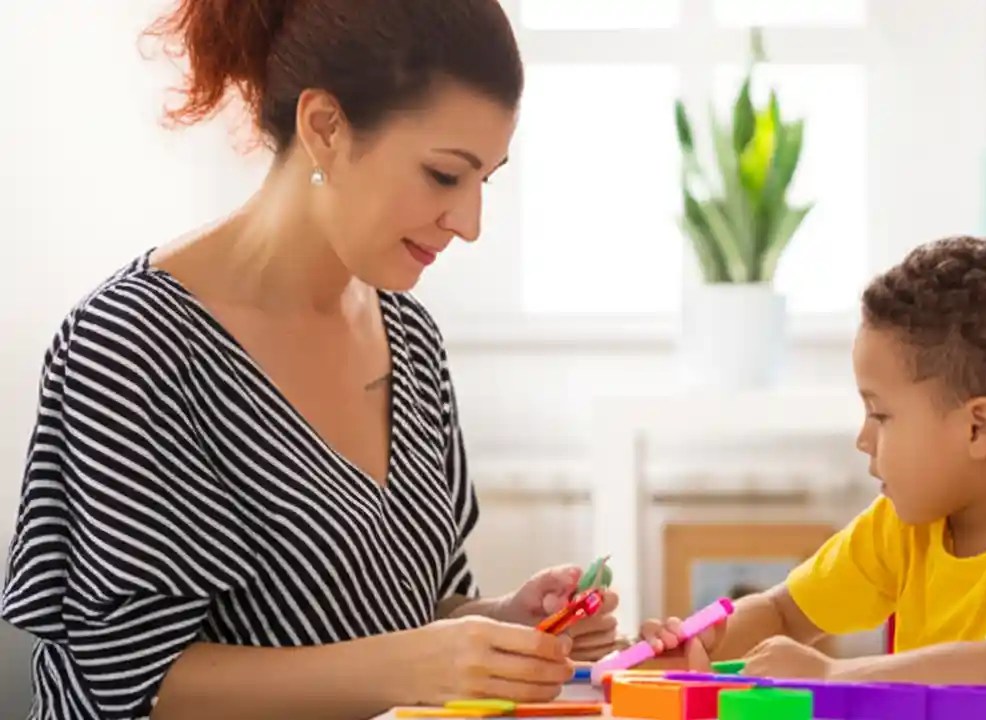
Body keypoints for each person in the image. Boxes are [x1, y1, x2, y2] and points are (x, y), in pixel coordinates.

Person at [0, 1, 620, 718]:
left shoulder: (410, 339)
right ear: (324, 127)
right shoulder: (133, 345)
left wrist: (503, 625)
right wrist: (414, 664)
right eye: (445, 175)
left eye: (488, 178)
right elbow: (133, 682)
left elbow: (408, 615)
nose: (471, 223)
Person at [640, 237, 986, 719]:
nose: (863, 439)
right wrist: (692, 650)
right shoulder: (905, 525)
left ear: (977, 428)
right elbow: (783, 611)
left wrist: (832, 677)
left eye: (880, 414)